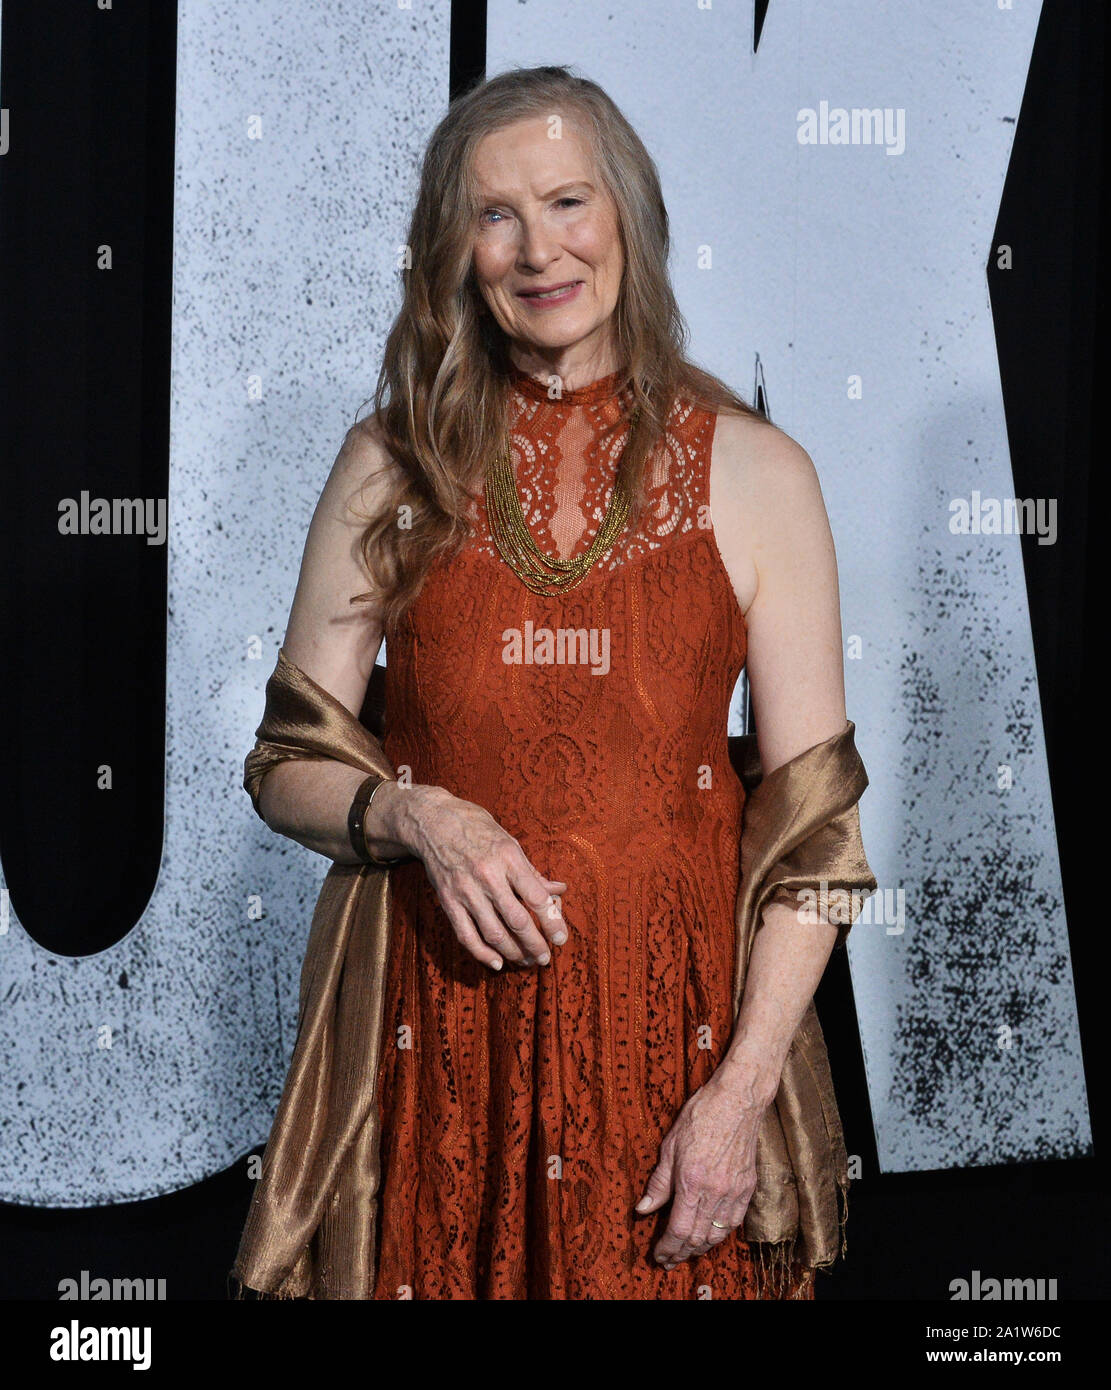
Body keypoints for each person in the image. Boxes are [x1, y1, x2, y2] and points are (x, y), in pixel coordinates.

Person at [245, 64, 862, 1301]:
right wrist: (416, 812)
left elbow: (817, 843)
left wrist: (738, 1098)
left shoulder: (758, 472)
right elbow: (284, 765)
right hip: (433, 1045)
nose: (540, 249)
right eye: (495, 215)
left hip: (674, 1048)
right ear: (452, 249)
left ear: (627, 213)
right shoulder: (388, 466)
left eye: (569, 201)